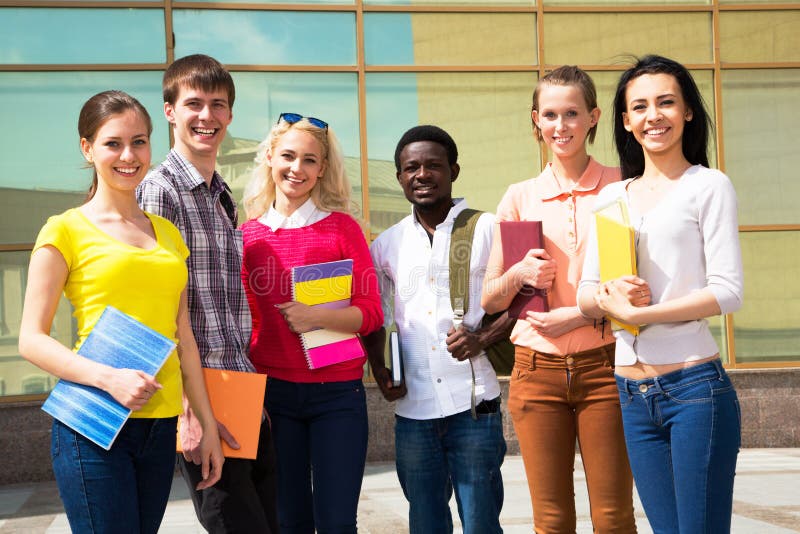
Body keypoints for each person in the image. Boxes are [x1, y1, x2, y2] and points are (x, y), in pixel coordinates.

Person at [18, 90, 223, 534]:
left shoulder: (168, 234)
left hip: (159, 425)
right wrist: (108, 378)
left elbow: (184, 338)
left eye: (139, 142)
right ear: (87, 148)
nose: (129, 156)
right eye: (113, 143)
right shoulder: (65, 230)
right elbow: (30, 339)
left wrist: (207, 424)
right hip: (93, 423)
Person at [577, 55, 744, 533]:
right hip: (631, 393)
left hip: (694, 390)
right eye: (640, 107)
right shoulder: (611, 197)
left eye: (666, 103)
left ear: (687, 111)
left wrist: (641, 314)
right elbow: (586, 293)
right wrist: (610, 295)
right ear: (626, 121)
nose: (654, 116)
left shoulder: (708, 186)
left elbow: (728, 291)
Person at [480, 66, 637, 533]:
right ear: (536, 120)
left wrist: (574, 317)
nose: (561, 125)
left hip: (606, 366)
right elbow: (490, 300)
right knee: (550, 521)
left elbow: (635, 284)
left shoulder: (623, 186)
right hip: (535, 371)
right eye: (549, 115)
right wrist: (520, 274)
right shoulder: (518, 197)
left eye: (571, 113)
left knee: (613, 518)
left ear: (593, 117)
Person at [136, 54, 278, 534]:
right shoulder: (160, 192)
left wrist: (251, 395)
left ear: (230, 115)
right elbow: (156, 312)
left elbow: (226, 307)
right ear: (170, 111)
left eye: (218, 105)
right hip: (199, 395)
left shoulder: (222, 196)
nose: (207, 116)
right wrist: (188, 414)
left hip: (239, 388)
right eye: (193, 103)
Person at [240, 112, 383, 534]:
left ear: (322, 169)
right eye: (288, 156)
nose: (296, 168)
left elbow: (372, 313)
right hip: (273, 396)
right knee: (289, 522)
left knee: (337, 523)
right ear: (270, 157)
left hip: (337, 395)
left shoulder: (342, 229)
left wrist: (315, 316)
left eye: (309, 160)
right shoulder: (247, 237)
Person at [364, 125, 511, 534]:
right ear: (399, 177)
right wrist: (379, 367)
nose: (422, 174)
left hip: (474, 405)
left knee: (481, 524)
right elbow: (375, 316)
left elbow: (526, 299)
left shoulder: (487, 228)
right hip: (413, 411)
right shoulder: (386, 244)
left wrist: (482, 338)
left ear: (454, 171)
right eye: (411, 167)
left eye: (433, 165)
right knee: (425, 522)